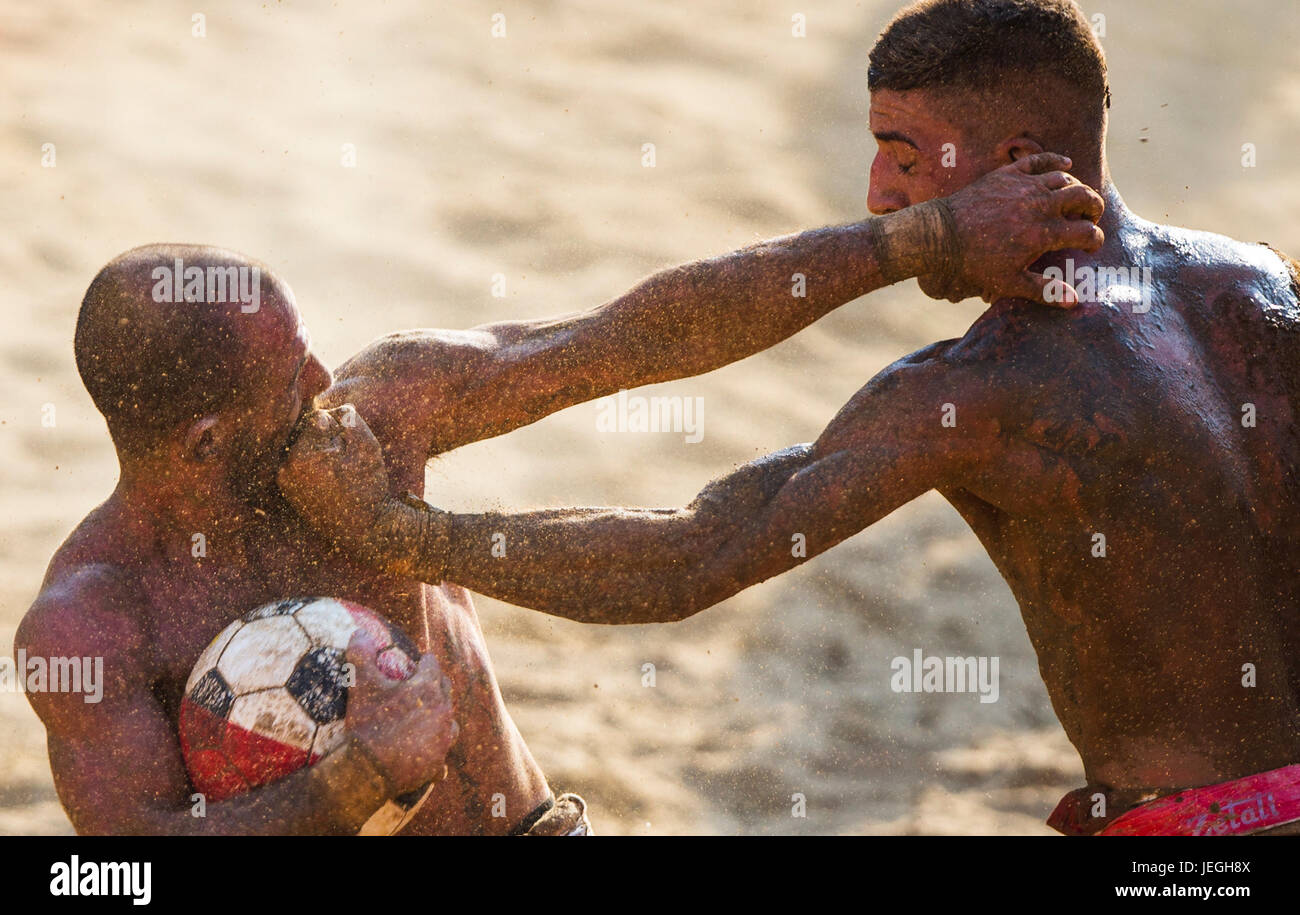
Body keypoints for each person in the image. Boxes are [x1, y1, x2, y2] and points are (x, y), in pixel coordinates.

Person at [281, 0, 1300, 835]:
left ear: (1016, 160)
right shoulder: (1254, 285)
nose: (875, 192)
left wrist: (395, 534)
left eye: (901, 156)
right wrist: (923, 231)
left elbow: (693, 556)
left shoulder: (980, 393)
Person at [16, 148, 1096, 833]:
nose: (319, 379)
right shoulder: (92, 619)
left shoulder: (367, 422)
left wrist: (924, 238)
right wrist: (358, 776)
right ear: (201, 443)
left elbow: (631, 336)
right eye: (285, 377)